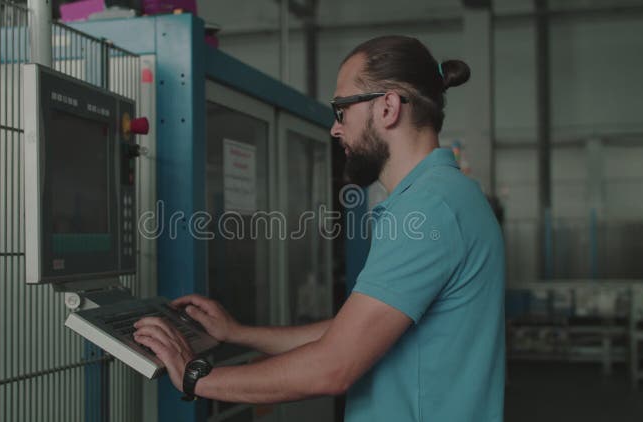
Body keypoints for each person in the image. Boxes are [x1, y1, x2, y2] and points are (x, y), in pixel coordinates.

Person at [133, 35, 505, 421]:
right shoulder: (446, 197)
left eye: (341, 110)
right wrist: (238, 332)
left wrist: (196, 378)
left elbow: (334, 365)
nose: (335, 129)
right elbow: (349, 334)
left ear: (388, 107)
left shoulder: (429, 209)